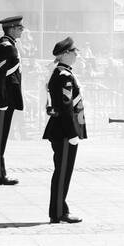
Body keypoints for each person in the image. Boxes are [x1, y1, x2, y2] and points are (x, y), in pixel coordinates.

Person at [42, 37, 85, 223]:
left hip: (61, 130)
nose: (77, 54)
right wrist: (73, 133)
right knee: (62, 172)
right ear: (65, 54)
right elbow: (66, 106)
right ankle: (59, 212)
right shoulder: (64, 76)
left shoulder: (62, 73)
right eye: (74, 51)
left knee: (62, 172)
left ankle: (60, 209)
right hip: (64, 132)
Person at [0, 15, 25, 186]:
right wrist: (2, 100)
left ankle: (0, 173)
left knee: (2, 136)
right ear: (11, 28)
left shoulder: (9, 45)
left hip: (7, 98)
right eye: (19, 28)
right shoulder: (5, 46)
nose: (22, 30)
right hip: (4, 99)